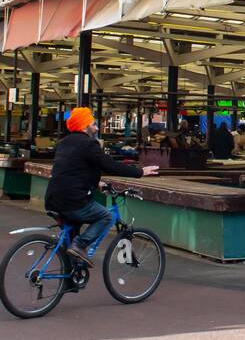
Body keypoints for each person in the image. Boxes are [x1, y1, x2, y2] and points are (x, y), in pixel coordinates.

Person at [44, 107, 159, 262]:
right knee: (107, 216)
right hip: (73, 201)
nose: (97, 127)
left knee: (70, 243)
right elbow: (109, 165)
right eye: (93, 124)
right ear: (84, 126)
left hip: (53, 199)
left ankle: (70, 279)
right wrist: (140, 172)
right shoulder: (89, 144)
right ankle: (80, 245)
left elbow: (73, 168)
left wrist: (95, 182)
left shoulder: (63, 143)